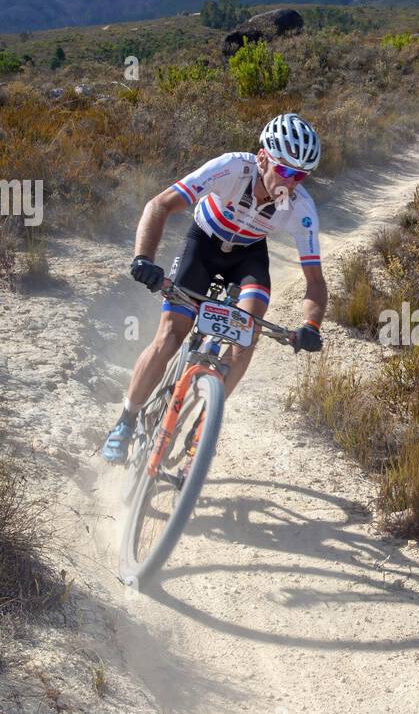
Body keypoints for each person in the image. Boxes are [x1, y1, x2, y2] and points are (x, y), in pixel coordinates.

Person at [101, 112, 327, 463]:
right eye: (285, 171)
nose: (292, 183)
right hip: (203, 245)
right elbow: (159, 205)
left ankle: (205, 423)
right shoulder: (232, 169)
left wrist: (311, 326)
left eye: (301, 175)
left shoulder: (300, 208)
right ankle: (126, 421)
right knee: (171, 336)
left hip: (248, 258)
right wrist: (143, 258)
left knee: (246, 336)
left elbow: (314, 281)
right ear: (263, 157)